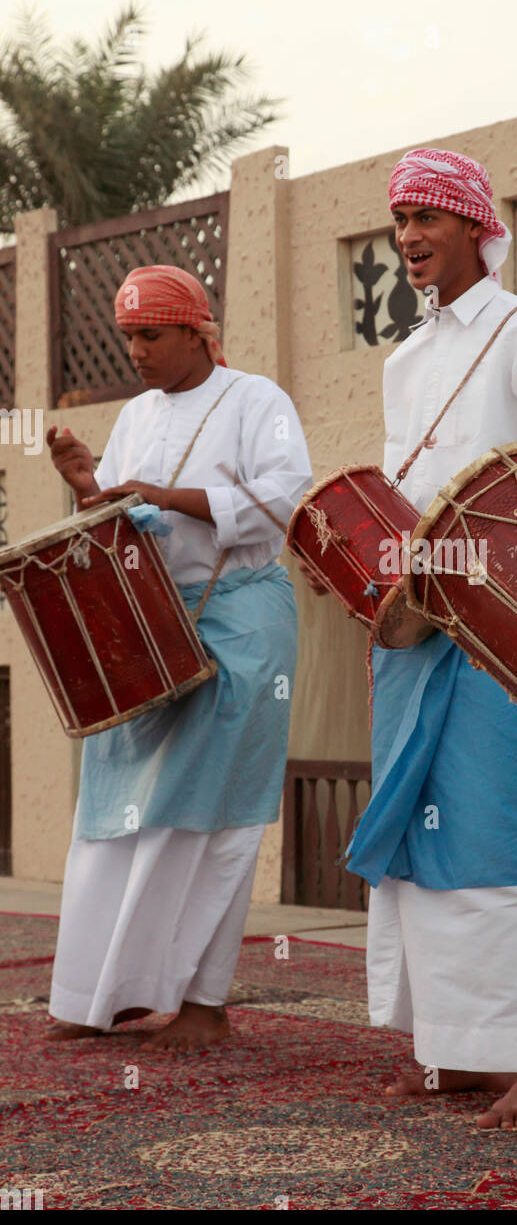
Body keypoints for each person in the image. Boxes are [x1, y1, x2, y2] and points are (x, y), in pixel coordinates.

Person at [342, 147, 517, 1128]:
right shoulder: (403, 359)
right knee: (417, 824)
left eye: (428, 218)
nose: (408, 237)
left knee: (494, 823)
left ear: (476, 227)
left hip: (500, 622)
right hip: (411, 625)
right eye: (398, 219)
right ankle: (452, 1048)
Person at [46, 265, 312, 1050]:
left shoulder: (258, 399)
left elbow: (287, 497)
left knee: (211, 816)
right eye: (128, 336)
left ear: (198, 333)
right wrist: (92, 486)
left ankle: (203, 1002)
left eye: (151, 335)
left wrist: (161, 495)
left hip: (244, 620)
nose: (137, 350)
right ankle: (104, 994)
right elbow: (124, 518)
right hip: (155, 623)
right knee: (117, 804)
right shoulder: (135, 413)